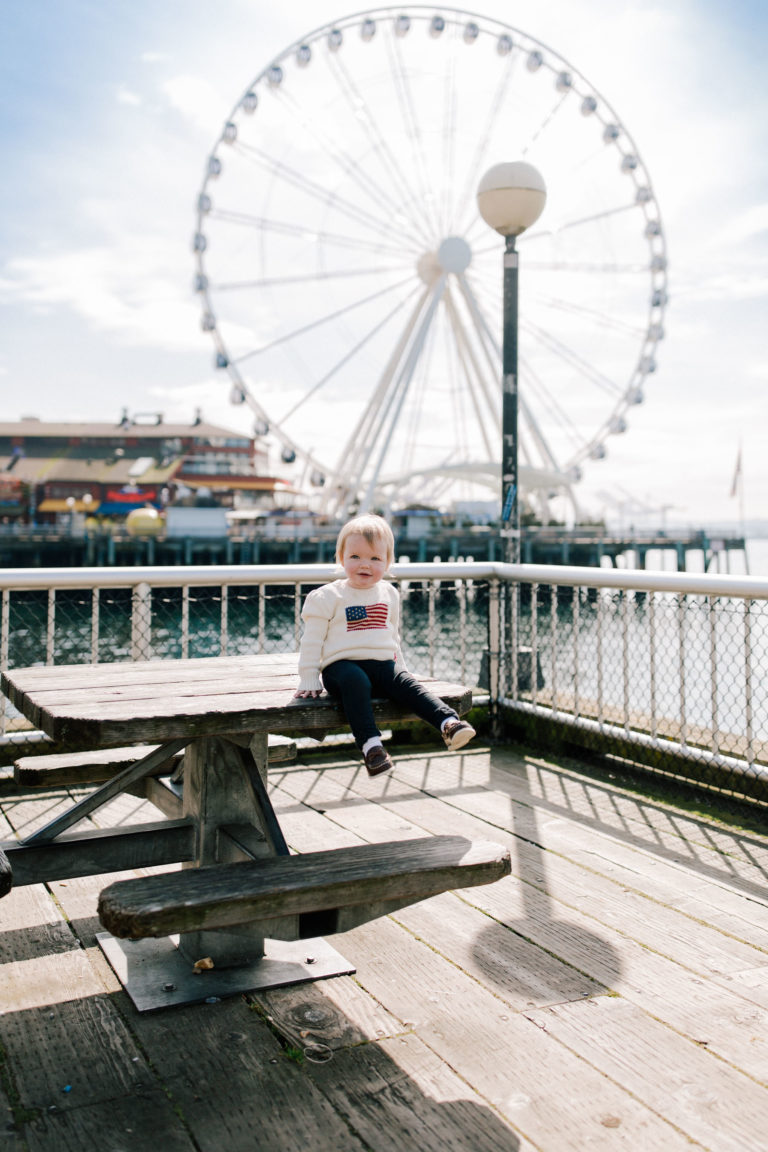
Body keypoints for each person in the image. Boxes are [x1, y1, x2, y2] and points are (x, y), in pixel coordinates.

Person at [294, 513, 475, 776]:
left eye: (375, 558)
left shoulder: (389, 594)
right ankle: (371, 746)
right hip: (341, 668)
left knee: (406, 683)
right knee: (356, 681)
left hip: (381, 664)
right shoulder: (327, 596)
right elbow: (311, 641)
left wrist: (400, 668)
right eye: (355, 557)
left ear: (388, 562)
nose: (364, 564)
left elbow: (392, 636)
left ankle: (448, 723)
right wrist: (309, 677)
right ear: (340, 557)